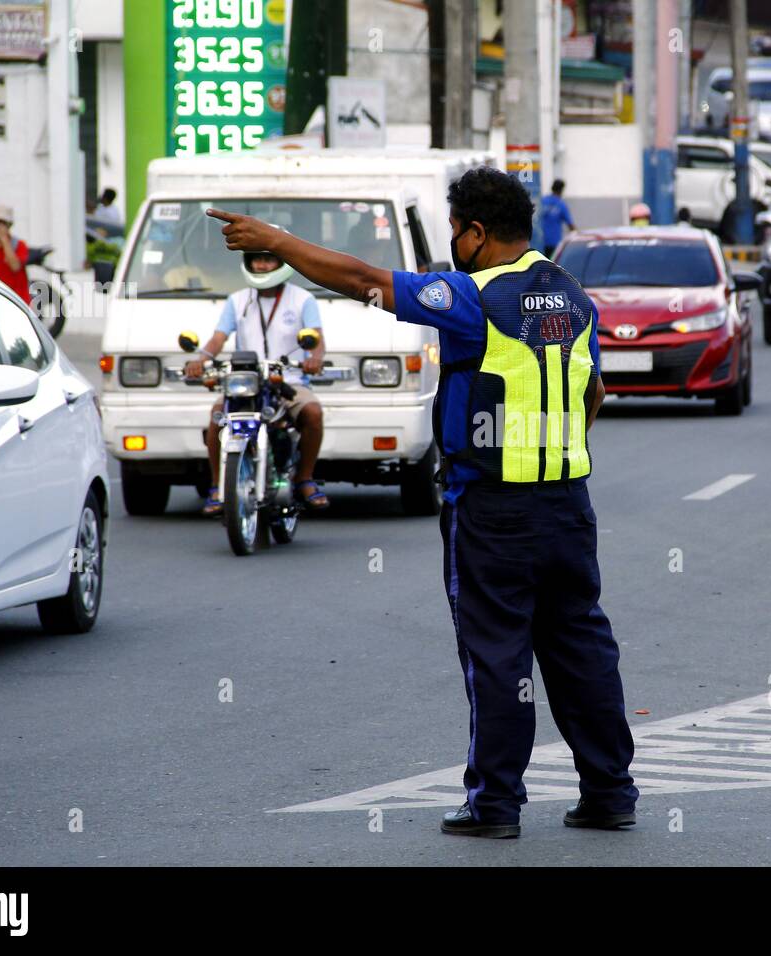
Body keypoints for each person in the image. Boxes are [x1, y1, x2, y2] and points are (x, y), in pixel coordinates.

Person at [206, 167, 639, 839]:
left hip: (492, 512)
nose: (452, 248)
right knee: (582, 647)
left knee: (497, 656)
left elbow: (363, 281)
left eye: (455, 234)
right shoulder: (574, 298)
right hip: (567, 508)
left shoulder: (474, 297)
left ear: (475, 232)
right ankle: (611, 793)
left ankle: (494, 806)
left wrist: (276, 239)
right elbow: (593, 397)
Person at [184, 246, 329, 515]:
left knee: (313, 413)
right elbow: (218, 338)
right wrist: (200, 359)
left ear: (282, 262)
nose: (261, 265)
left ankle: (305, 478)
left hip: (289, 379)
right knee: (218, 414)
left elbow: (317, 340)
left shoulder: (302, 299)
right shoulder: (237, 300)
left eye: (268, 259)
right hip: (247, 379)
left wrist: (315, 358)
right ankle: (217, 486)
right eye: (257, 259)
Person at [539, 179, 574, 257]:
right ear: (561, 190)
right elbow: (570, 224)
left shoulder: (542, 201)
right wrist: (577, 235)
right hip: (555, 243)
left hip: (540, 242)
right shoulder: (561, 204)